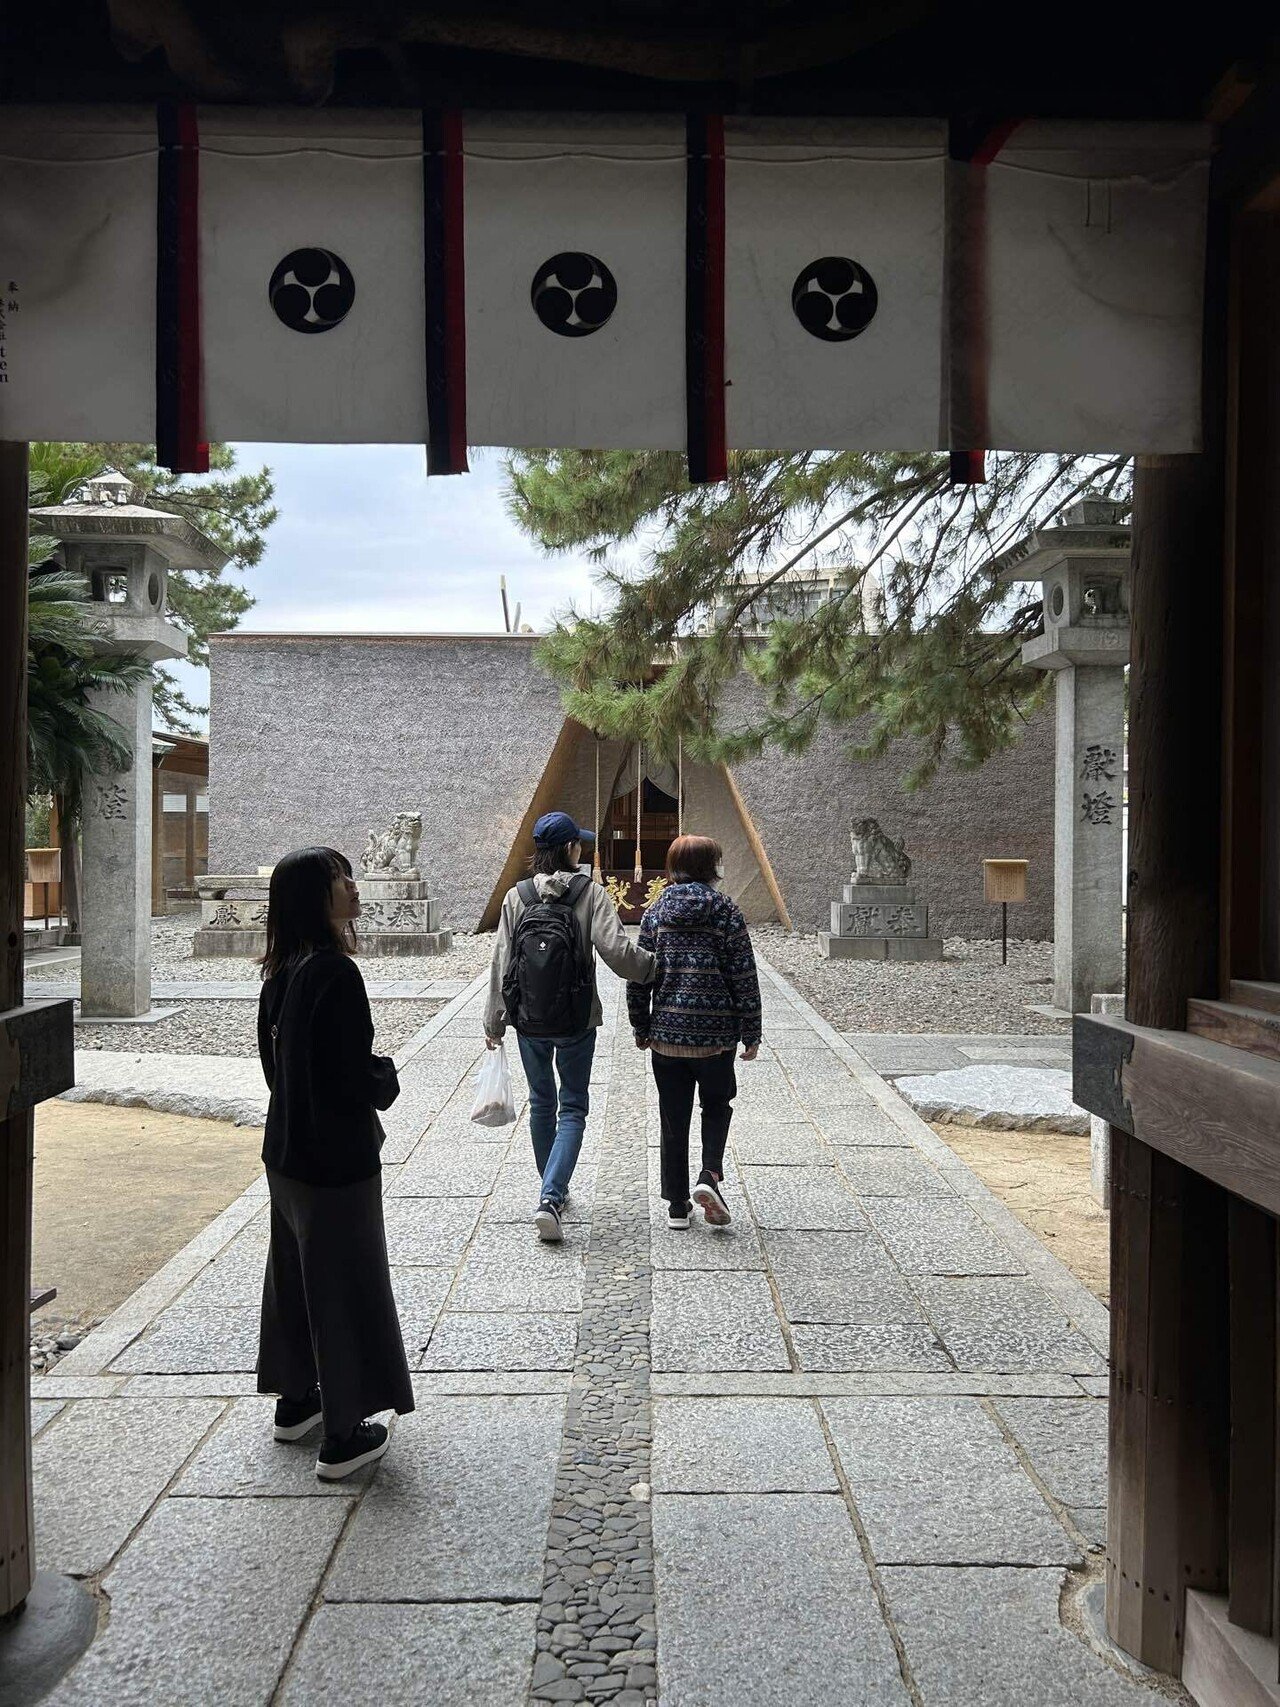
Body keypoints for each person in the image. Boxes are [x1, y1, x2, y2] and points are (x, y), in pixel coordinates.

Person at [255, 845, 414, 1480]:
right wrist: (385, 1081)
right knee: (347, 1283)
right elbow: (352, 1073)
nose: (352, 886)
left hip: (287, 1150)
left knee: (294, 1277)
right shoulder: (334, 974)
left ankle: (298, 1400)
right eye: (339, 879)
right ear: (314, 899)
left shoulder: (281, 972)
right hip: (335, 1158)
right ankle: (343, 1435)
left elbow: (276, 1070)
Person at [485, 810, 656, 1243]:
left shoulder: (516, 896)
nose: (582, 847)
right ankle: (551, 1195)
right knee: (573, 1105)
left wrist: (494, 1020)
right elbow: (618, 953)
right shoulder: (589, 893)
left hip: (528, 1019)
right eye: (578, 843)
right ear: (569, 849)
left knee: (542, 1102)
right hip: (577, 1018)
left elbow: (501, 961)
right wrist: (654, 970)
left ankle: (552, 1190)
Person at [627, 835, 762, 1230]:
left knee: (673, 1117)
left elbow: (640, 976)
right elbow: (743, 974)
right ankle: (710, 1176)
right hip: (715, 1038)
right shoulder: (725, 911)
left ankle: (676, 1206)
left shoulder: (655, 913)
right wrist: (751, 1030)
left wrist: (640, 1025)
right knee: (717, 1106)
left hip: (667, 1035)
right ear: (710, 867)